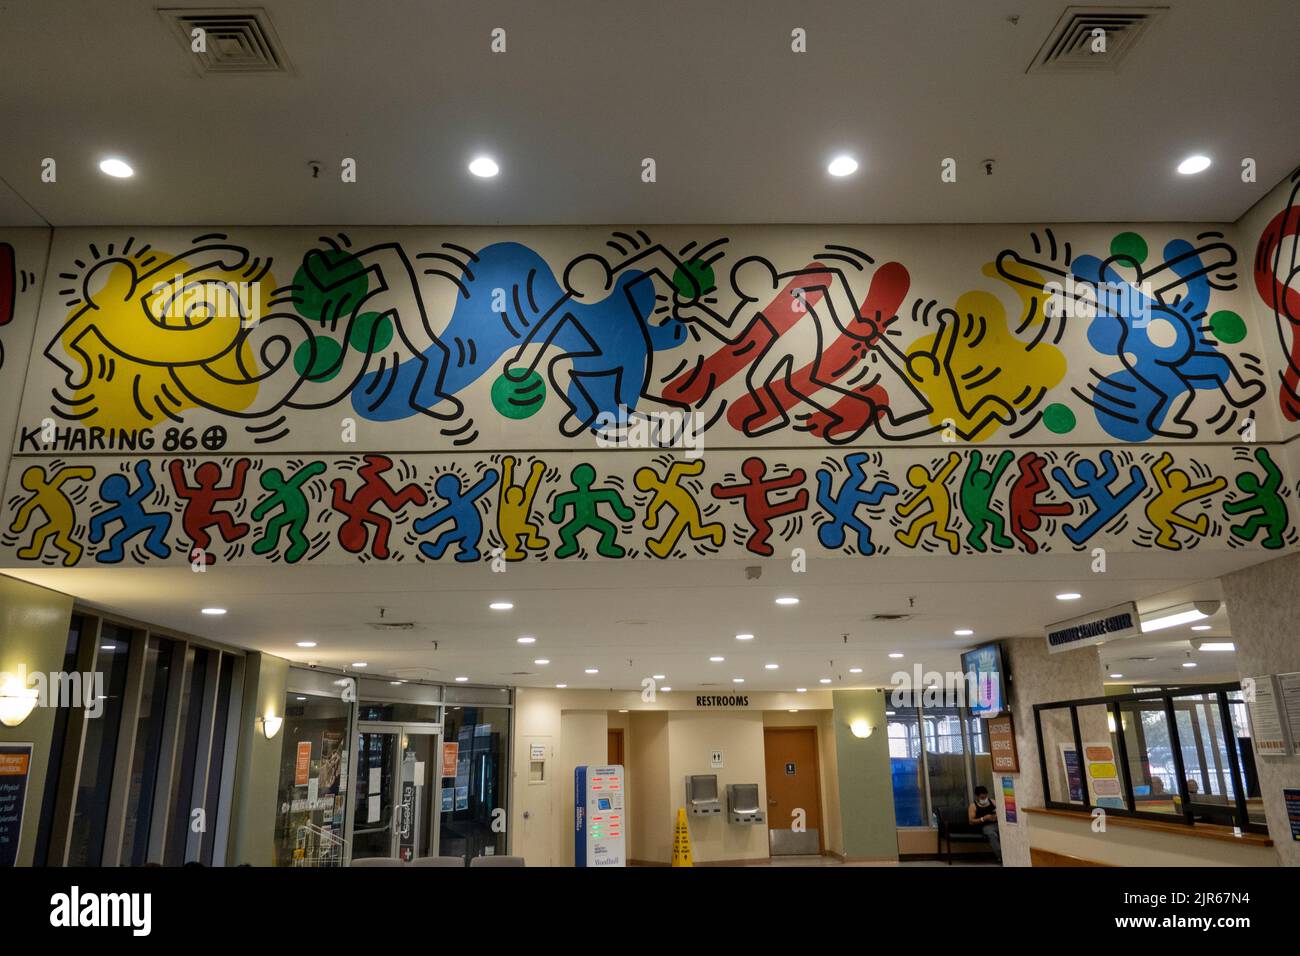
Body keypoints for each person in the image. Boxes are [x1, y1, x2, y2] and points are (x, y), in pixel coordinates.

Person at [968, 786, 1001, 864]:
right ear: (977, 796)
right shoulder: (973, 806)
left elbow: (1002, 812)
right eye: (982, 797)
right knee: (991, 834)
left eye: (985, 797)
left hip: (996, 823)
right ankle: (1000, 855)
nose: (984, 799)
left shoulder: (993, 802)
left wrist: (997, 816)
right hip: (984, 826)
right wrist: (983, 818)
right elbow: (971, 821)